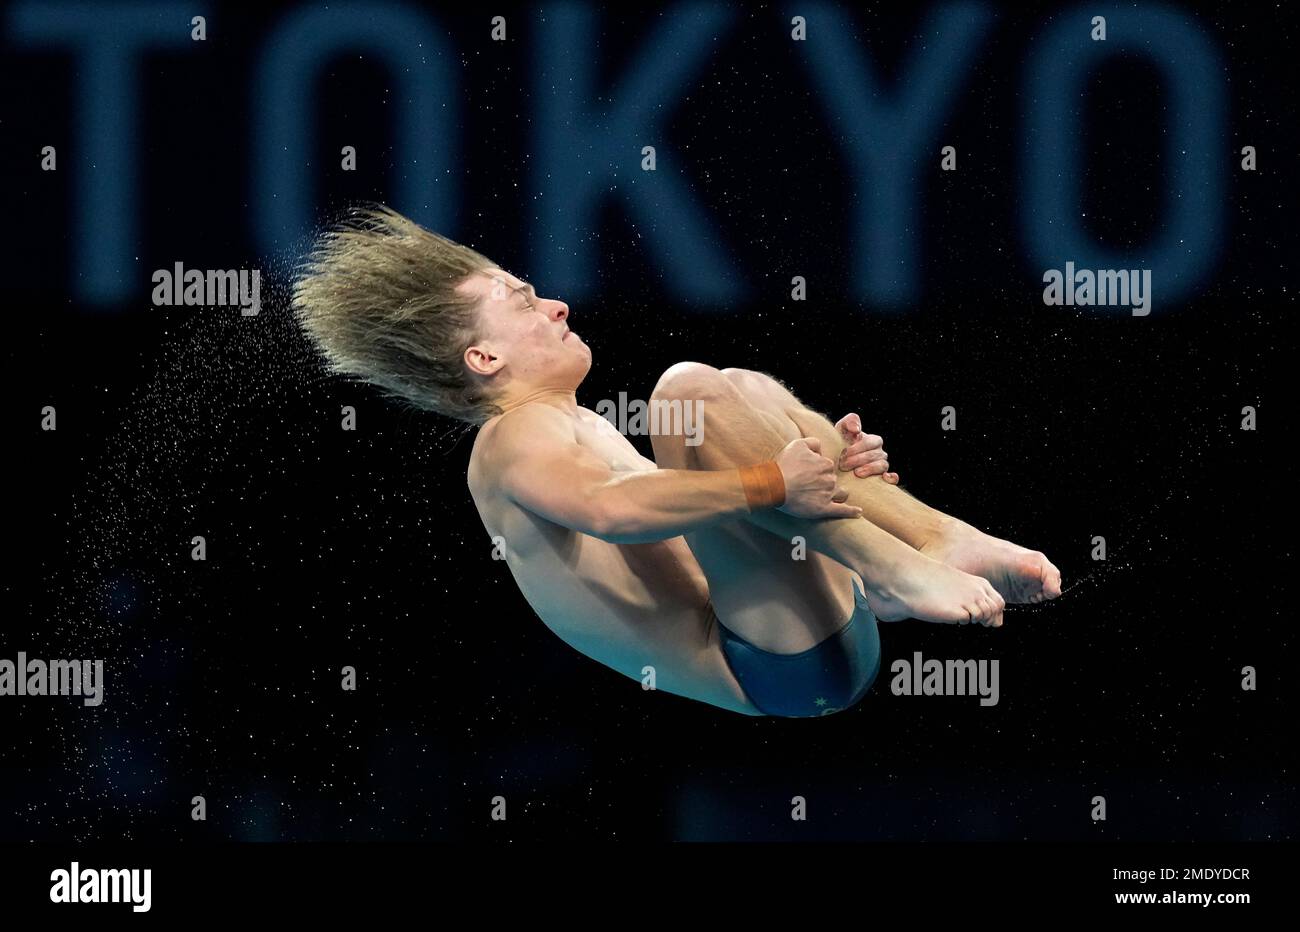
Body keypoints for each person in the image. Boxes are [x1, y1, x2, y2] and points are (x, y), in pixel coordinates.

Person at [292, 206, 1061, 717]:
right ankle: (895, 568)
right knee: (687, 392)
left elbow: (703, 505)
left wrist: (830, 461)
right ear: (484, 355)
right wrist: (775, 480)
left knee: (739, 390)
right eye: (525, 301)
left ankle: (930, 542)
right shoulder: (508, 441)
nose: (555, 305)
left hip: (810, 628)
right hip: (773, 663)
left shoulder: (568, 425)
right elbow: (613, 513)